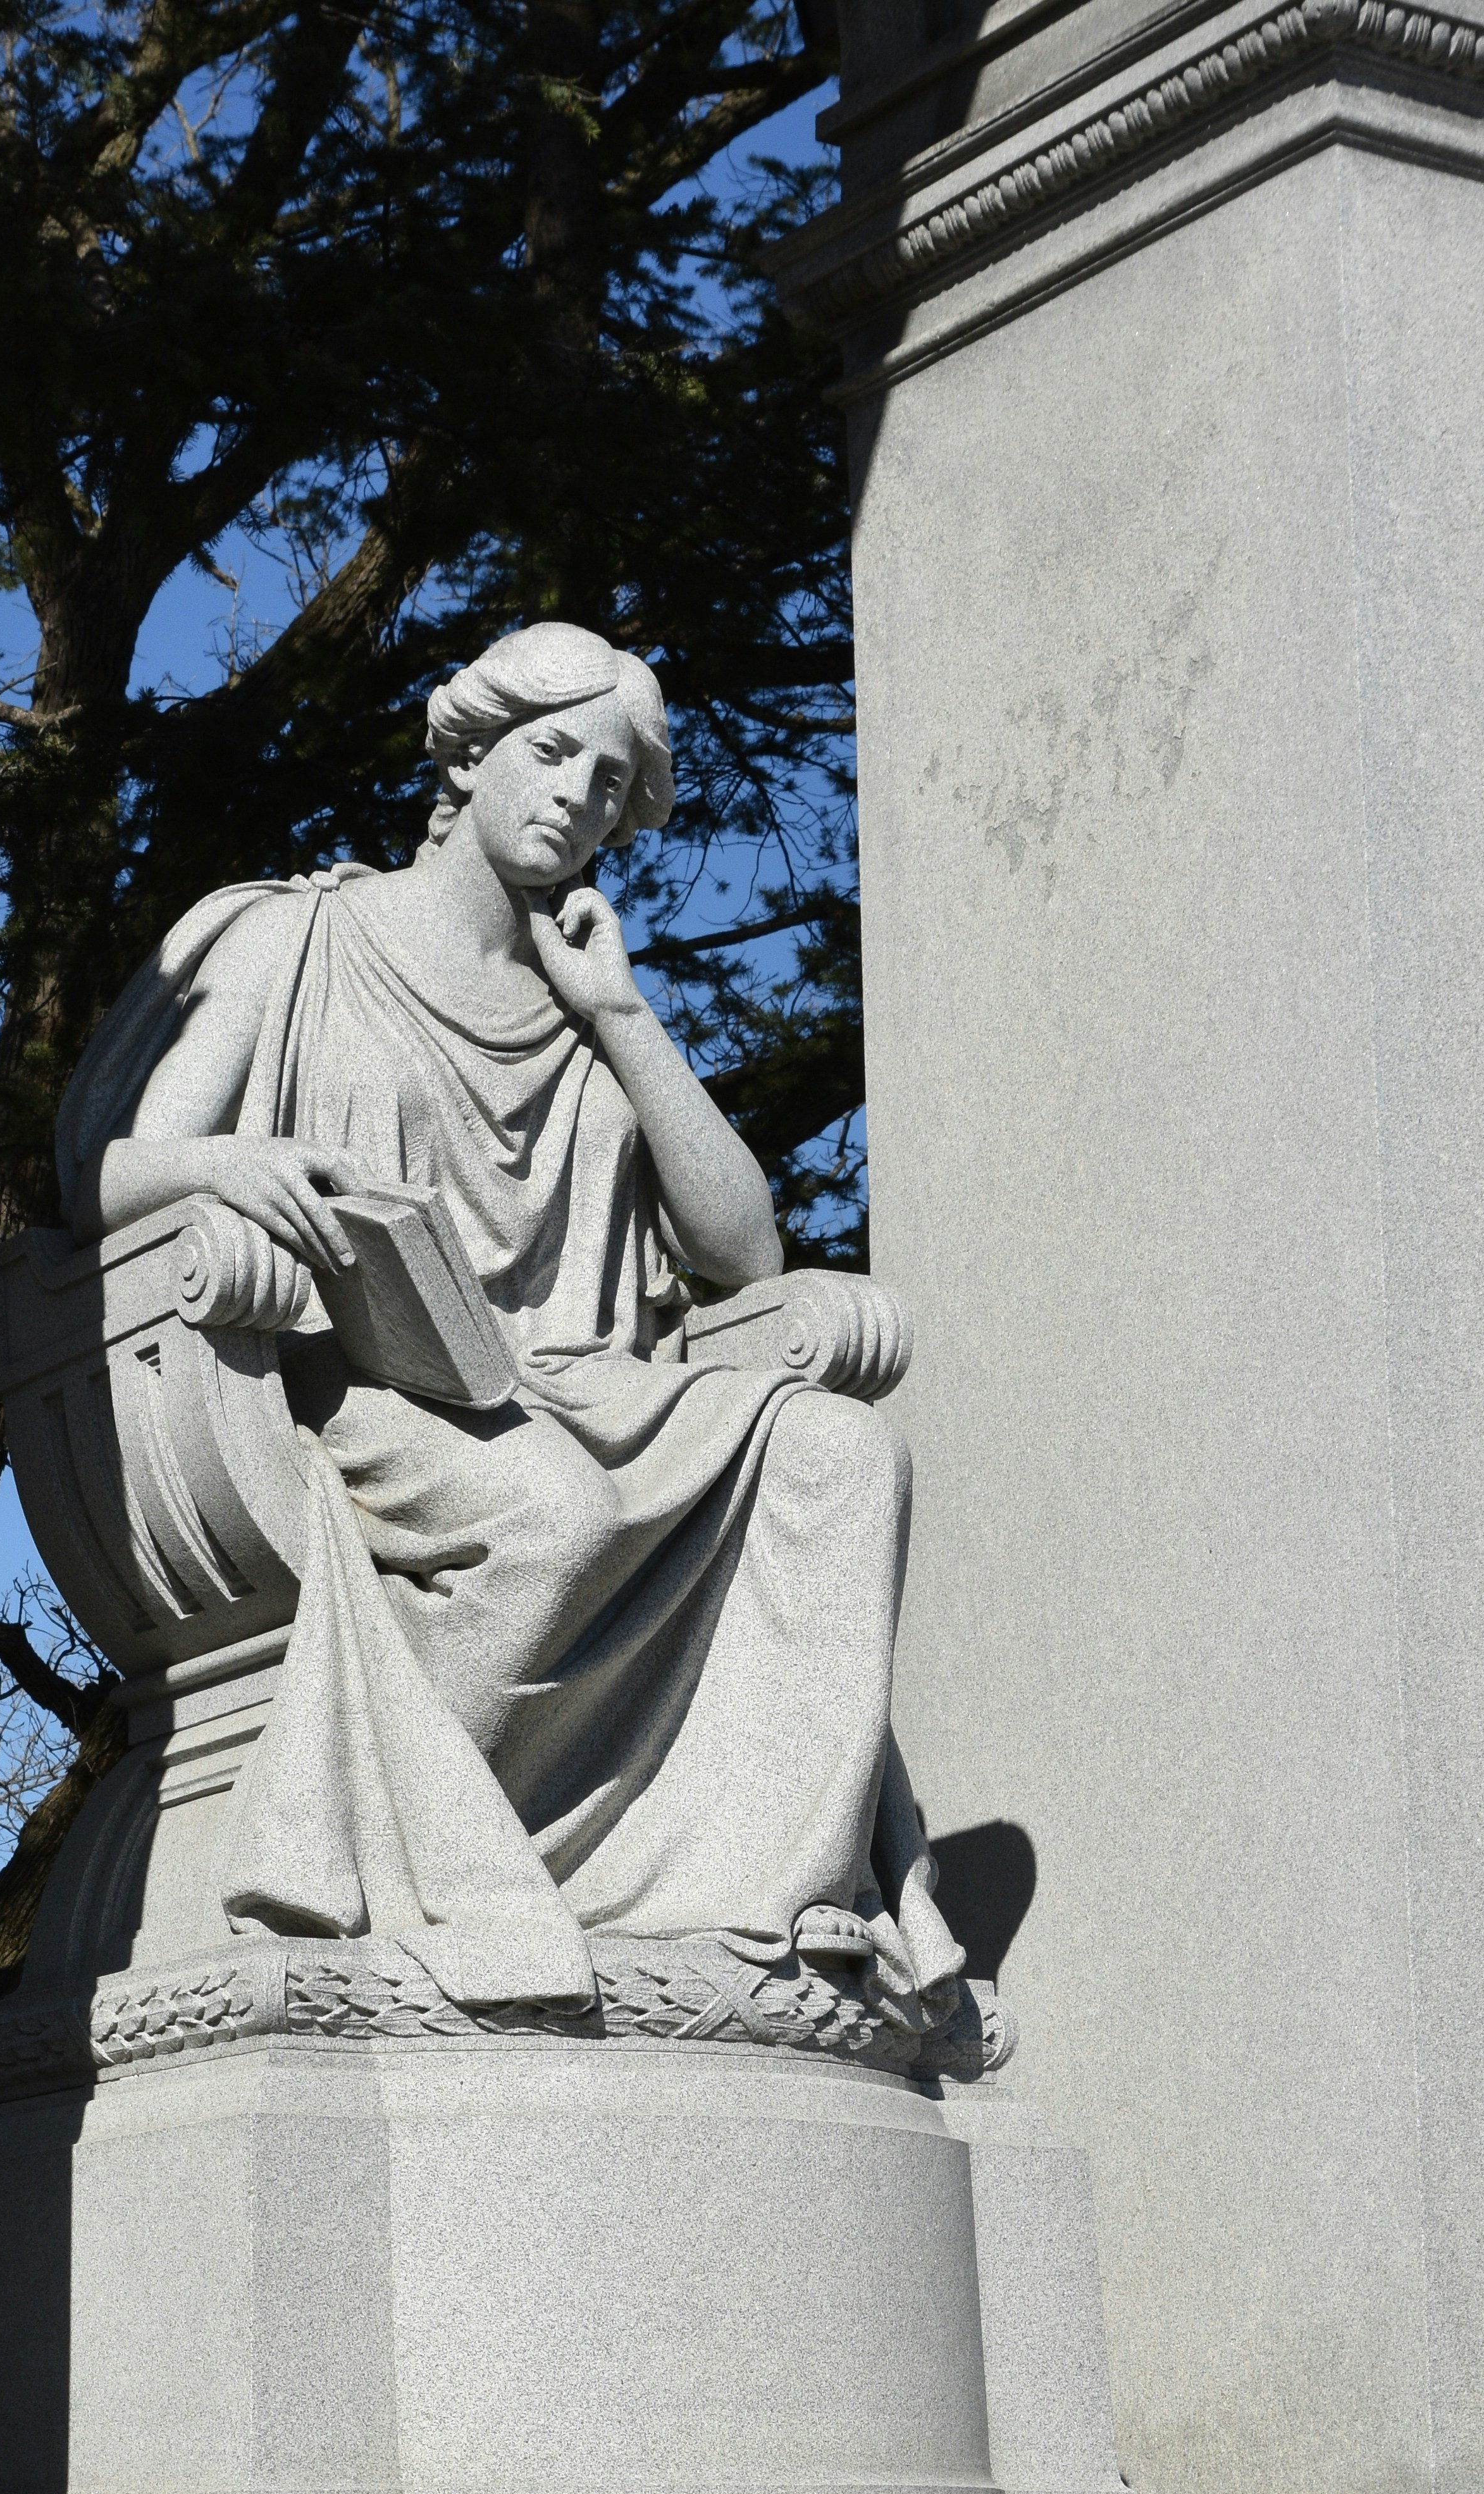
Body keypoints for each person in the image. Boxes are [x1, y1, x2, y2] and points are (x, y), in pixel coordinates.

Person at [58, 618, 965, 2020]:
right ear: (469, 749)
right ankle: (404, 1864)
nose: (574, 799)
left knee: (839, 1455)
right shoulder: (293, 939)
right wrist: (228, 1165)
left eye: (610, 786)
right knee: (542, 1509)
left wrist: (620, 1013)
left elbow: (739, 1248)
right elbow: (102, 1171)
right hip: (377, 1396)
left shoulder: (585, 1000)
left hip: (594, 1390)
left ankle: (759, 1907)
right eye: (551, 754)